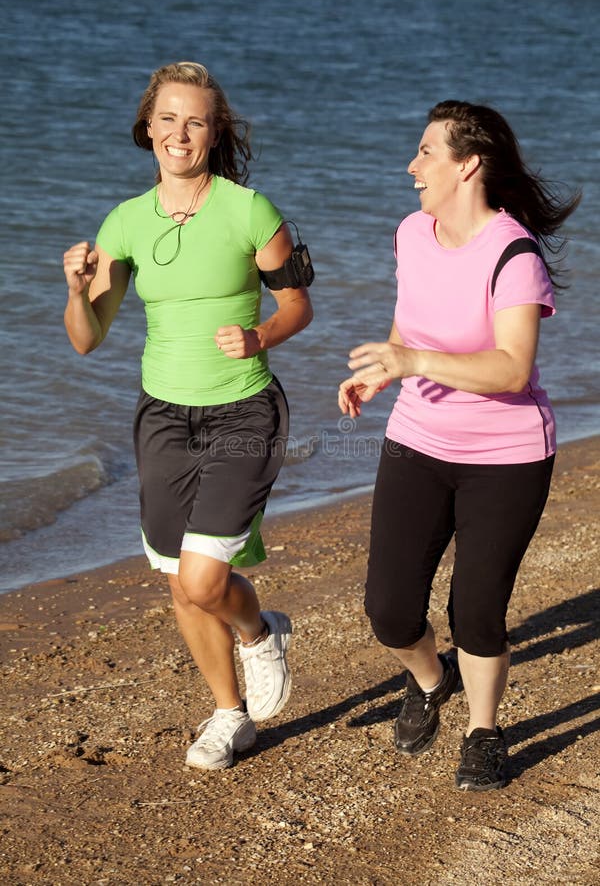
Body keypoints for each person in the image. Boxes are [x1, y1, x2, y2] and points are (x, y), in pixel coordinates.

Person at [63, 61, 313, 771]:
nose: (180, 132)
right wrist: (79, 292)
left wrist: (261, 334)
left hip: (244, 408)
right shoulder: (125, 223)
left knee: (206, 581)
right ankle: (229, 716)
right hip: (163, 416)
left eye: (195, 120)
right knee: (179, 578)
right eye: (167, 118)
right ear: (148, 127)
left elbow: (297, 303)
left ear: (214, 132)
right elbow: (86, 339)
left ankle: (259, 632)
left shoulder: (250, 210)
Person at [338, 100, 580, 791]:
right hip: (417, 440)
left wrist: (412, 362)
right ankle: (429, 677)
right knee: (388, 609)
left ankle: (483, 730)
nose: (412, 167)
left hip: (507, 458)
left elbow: (510, 368)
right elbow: (410, 323)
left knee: (476, 610)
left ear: (466, 164)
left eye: (425, 153)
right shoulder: (412, 232)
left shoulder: (514, 254)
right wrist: (383, 369)